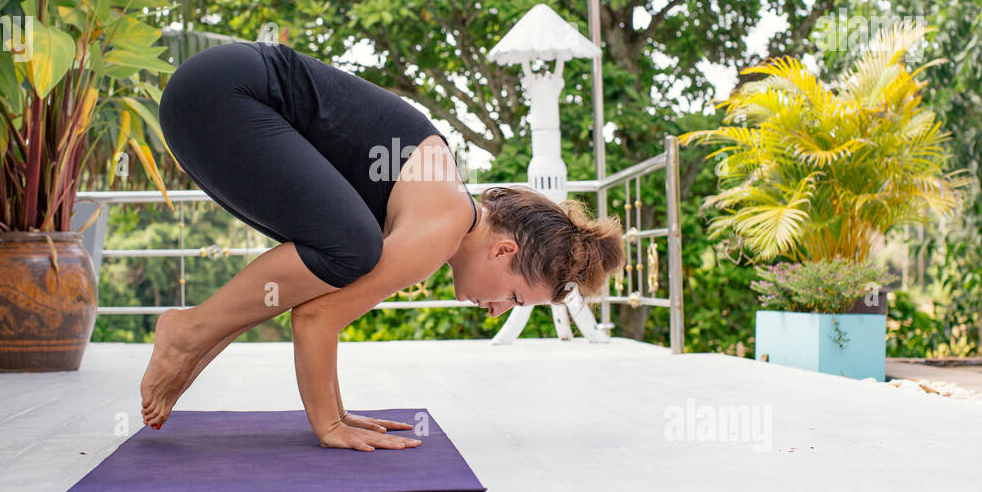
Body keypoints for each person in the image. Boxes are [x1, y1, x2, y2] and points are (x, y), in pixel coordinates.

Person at [141, 41, 624, 451]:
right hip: (224, 96)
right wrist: (328, 424)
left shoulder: (437, 204)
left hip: (211, 94)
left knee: (336, 256)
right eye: (514, 297)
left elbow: (305, 298)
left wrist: (341, 412)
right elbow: (316, 319)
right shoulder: (441, 225)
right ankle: (187, 332)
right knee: (353, 249)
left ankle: (194, 341)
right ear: (504, 252)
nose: (497, 310)